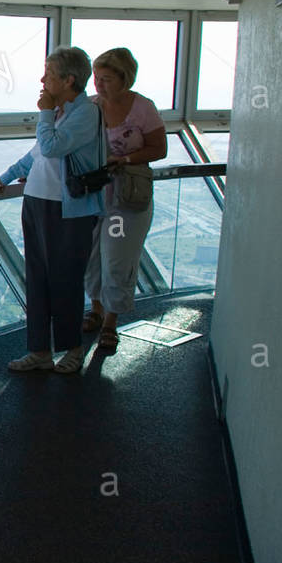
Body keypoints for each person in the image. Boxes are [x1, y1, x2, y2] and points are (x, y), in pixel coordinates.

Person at [0, 46, 105, 374]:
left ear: (69, 80)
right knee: (38, 279)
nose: (43, 80)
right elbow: (37, 153)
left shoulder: (86, 113)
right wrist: (7, 176)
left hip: (69, 210)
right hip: (38, 201)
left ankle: (72, 347)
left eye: (49, 74)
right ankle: (39, 349)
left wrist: (43, 112)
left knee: (65, 279)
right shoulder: (60, 111)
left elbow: (53, 147)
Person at [82, 47, 167, 352]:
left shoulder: (143, 108)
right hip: (93, 196)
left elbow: (159, 148)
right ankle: (95, 309)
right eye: (96, 77)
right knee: (91, 257)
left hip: (127, 197)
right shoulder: (90, 107)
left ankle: (110, 322)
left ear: (124, 79)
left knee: (117, 257)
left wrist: (126, 158)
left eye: (105, 79)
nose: (98, 84)